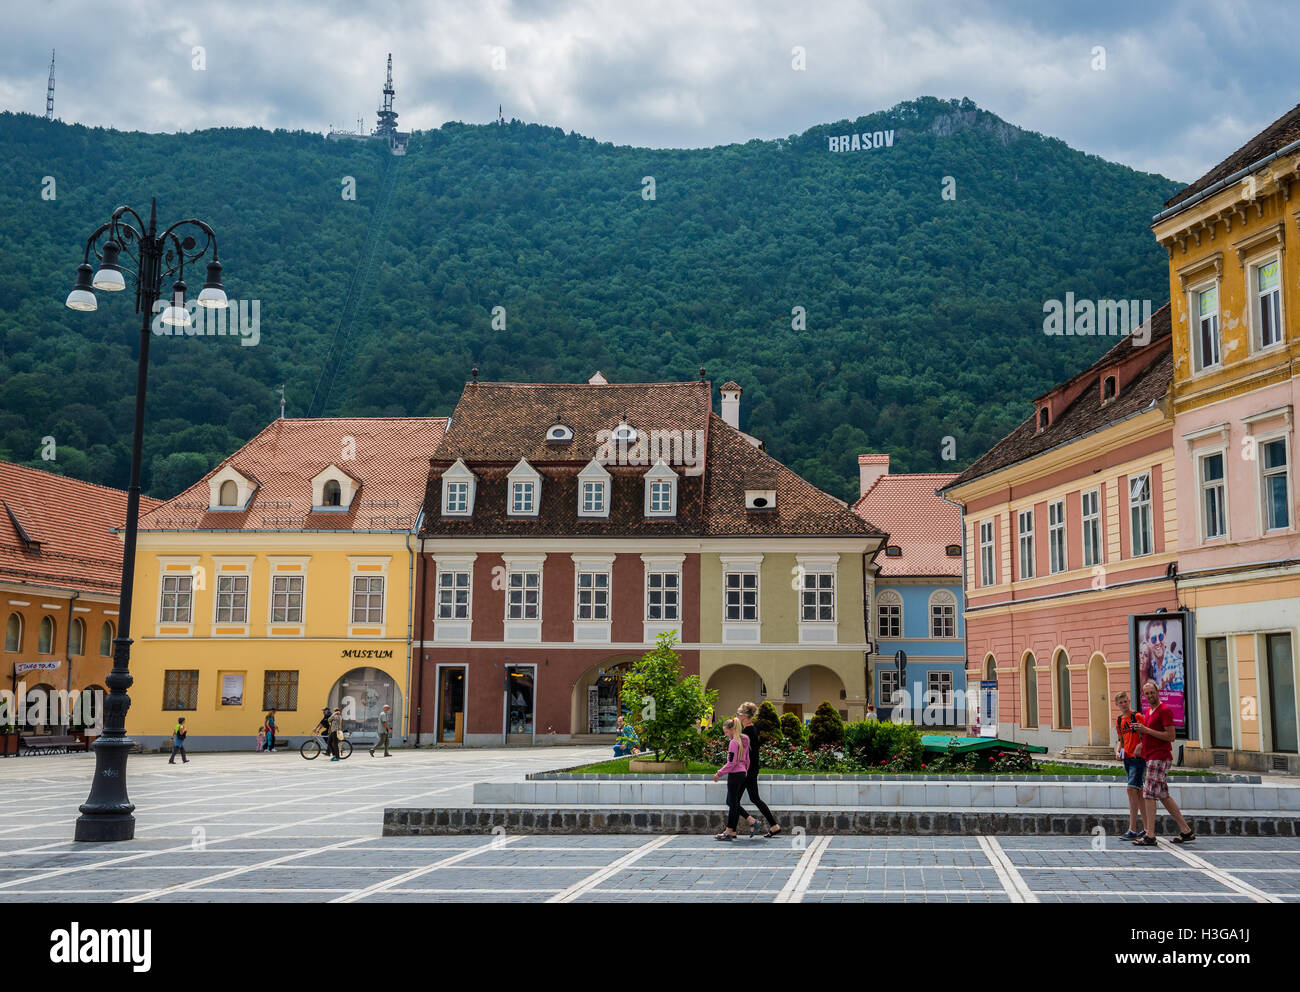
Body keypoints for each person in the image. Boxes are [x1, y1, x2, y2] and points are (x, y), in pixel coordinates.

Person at [1132, 680, 1194, 845]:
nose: (1150, 695)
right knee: (1163, 795)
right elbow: (1151, 734)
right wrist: (1141, 741)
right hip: (1151, 756)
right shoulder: (1149, 711)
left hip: (1160, 757)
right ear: (1143, 696)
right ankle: (1186, 831)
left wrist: (1145, 730)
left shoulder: (1164, 710)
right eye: (1147, 694)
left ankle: (1150, 835)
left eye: (1152, 692)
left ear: (1157, 692)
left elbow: (1170, 736)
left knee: (1149, 794)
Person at [734, 702, 781, 838]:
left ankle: (736, 827)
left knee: (733, 800)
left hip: (748, 769)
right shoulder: (751, 729)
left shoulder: (748, 731)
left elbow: (745, 752)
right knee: (753, 798)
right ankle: (774, 825)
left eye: (738, 714)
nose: (737, 716)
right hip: (751, 768)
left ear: (745, 716)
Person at [1113, 691, 1146, 841]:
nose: (1124, 704)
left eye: (1125, 701)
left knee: (1131, 789)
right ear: (1117, 705)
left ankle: (1132, 829)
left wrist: (1140, 745)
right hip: (1127, 758)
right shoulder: (1120, 720)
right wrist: (1118, 750)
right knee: (1138, 793)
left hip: (1137, 758)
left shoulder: (1137, 717)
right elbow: (1121, 739)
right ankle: (1146, 828)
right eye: (1121, 702)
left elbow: (1145, 734)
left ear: (1129, 701)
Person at [711, 717, 750, 841]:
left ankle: (728, 831)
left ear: (732, 729)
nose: (725, 734)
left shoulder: (734, 742)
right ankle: (733, 831)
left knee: (732, 804)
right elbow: (748, 759)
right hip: (742, 774)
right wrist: (746, 771)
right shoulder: (745, 739)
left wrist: (719, 773)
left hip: (734, 775)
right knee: (732, 803)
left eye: (726, 732)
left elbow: (731, 763)